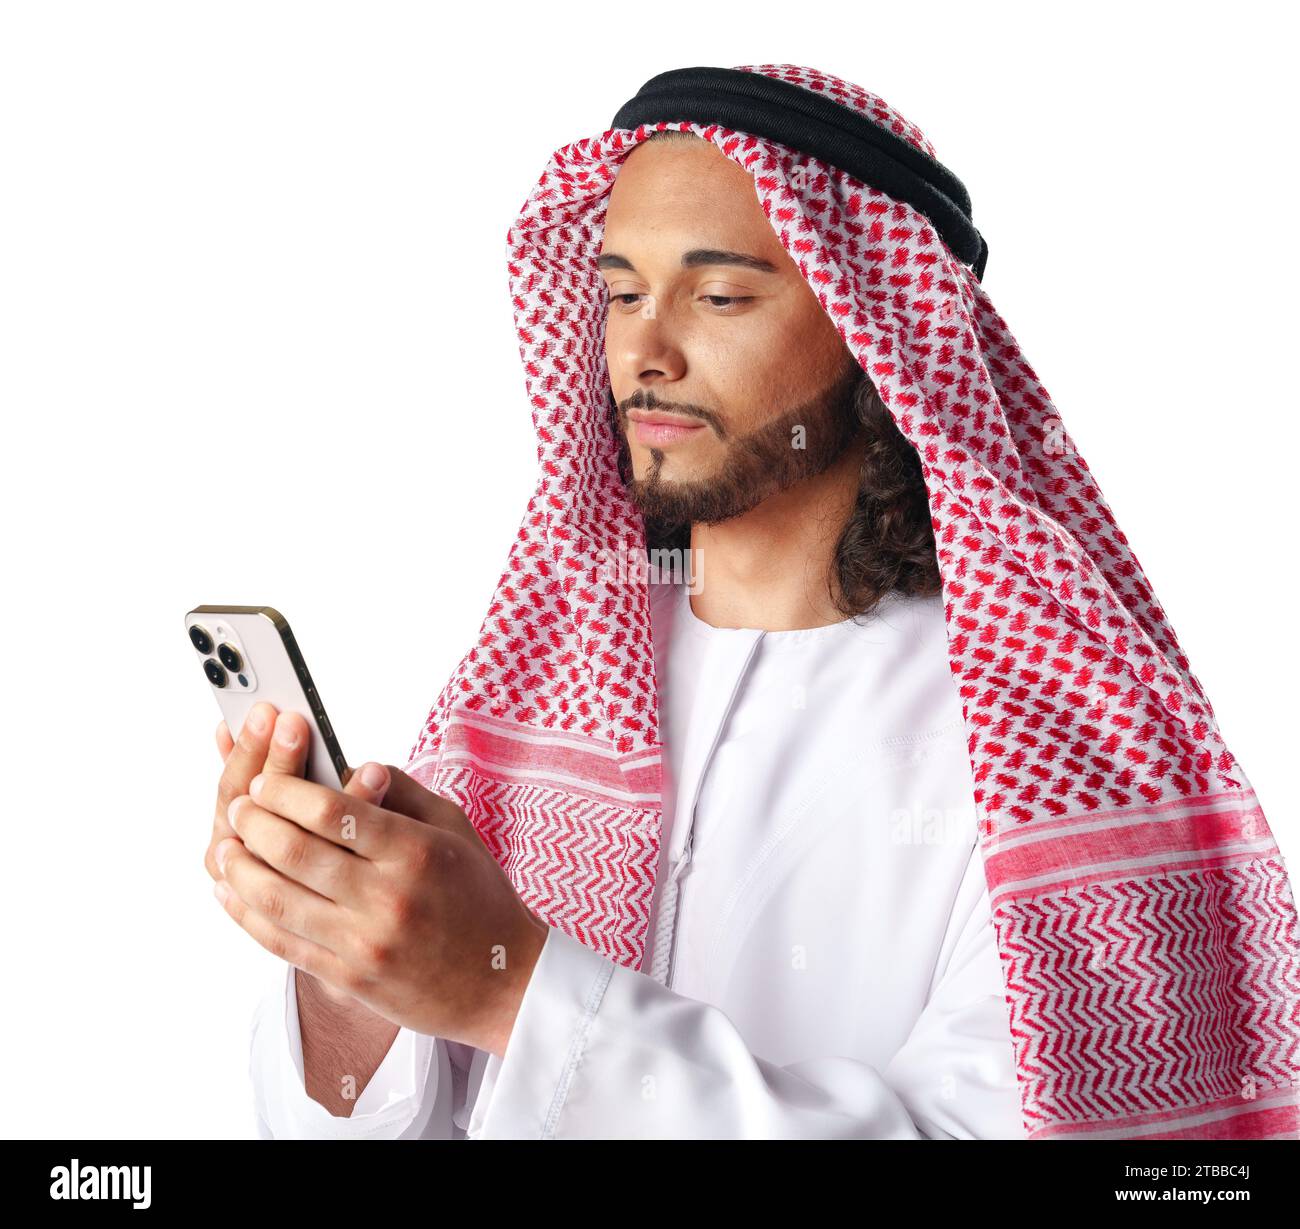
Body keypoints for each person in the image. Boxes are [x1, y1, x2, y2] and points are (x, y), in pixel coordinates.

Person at [206, 65, 1300, 1141]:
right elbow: (373, 1121)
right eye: (620, 293)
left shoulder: (1063, 736)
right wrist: (343, 957)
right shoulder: (543, 685)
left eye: (719, 294)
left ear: (878, 333)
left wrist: (509, 990)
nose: (643, 349)